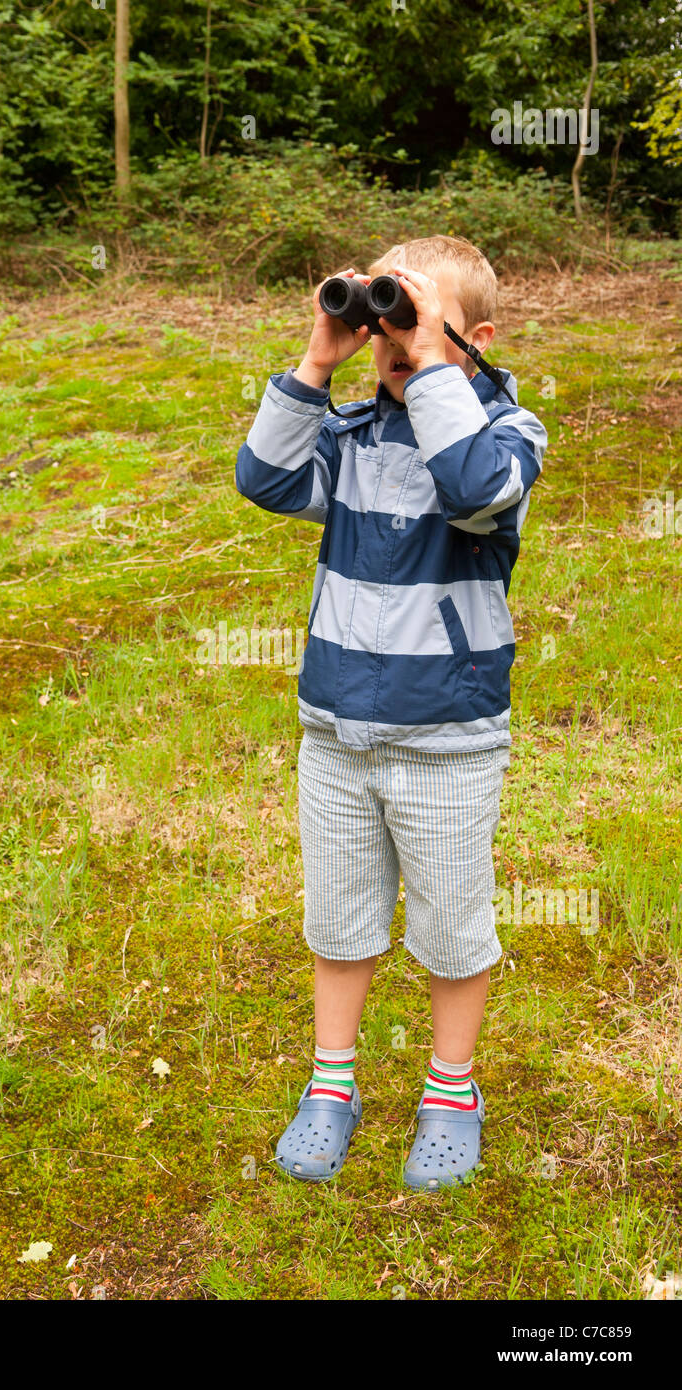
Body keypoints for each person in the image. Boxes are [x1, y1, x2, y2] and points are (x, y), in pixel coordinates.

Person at [235, 235, 547, 1188]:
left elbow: (472, 490)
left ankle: (451, 1092)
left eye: (407, 320)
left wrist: (435, 368)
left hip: (447, 743)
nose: (391, 339)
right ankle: (332, 1084)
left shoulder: (509, 438)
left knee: (452, 931)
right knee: (338, 925)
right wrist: (318, 360)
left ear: (476, 338)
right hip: (334, 733)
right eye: (382, 320)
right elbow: (265, 479)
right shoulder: (353, 436)